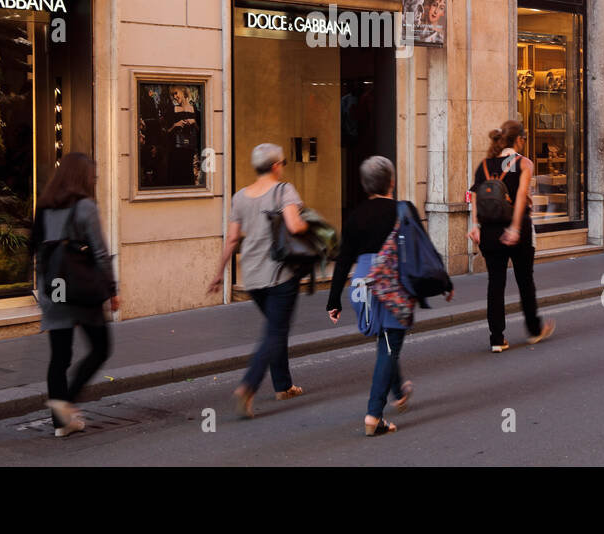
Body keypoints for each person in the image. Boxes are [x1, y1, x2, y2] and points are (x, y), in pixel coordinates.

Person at [327, 156, 453, 436]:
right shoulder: (403, 209)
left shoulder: (355, 216)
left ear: (364, 185)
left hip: (362, 286)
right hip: (393, 284)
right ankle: (374, 415)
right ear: (392, 182)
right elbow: (425, 251)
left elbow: (344, 260)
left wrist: (333, 301)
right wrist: (444, 281)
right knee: (389, 347)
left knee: (385, 341)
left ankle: (399, 390)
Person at [208, 143, 311, 417]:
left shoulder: (240, 196)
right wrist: (307, 224)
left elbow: (231, 239)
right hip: (279, 273)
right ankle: (248, 386)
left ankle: (283, 385)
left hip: (252, 275)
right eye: (282, 163)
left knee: (275, 329)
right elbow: (294, 225)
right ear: (276, 166)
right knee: (276, 331)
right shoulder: (283, 190)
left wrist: (219, 274)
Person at [29, 152, 118, 438]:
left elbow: (34, 249)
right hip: (81, 288)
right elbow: (101, 253)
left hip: (53, 287)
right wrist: (111, 289)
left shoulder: (43, 207)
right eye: (93, 176)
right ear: (82, 177)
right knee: (101, 347)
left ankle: (60, 423)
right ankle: (66, 405)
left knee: (59, 356)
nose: (94, 181)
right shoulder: (84, 207)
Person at [469, 120, 556, 353]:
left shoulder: (485, 165)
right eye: (524, 138)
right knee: (525, 280)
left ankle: (497, 339)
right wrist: (515, 228)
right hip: (515, 230)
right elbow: (519, 198)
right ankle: (534, 329)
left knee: (495, 283)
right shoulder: (522, 163)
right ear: (518, 140)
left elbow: (474, 196)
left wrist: (475, 225)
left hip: (488, 231)